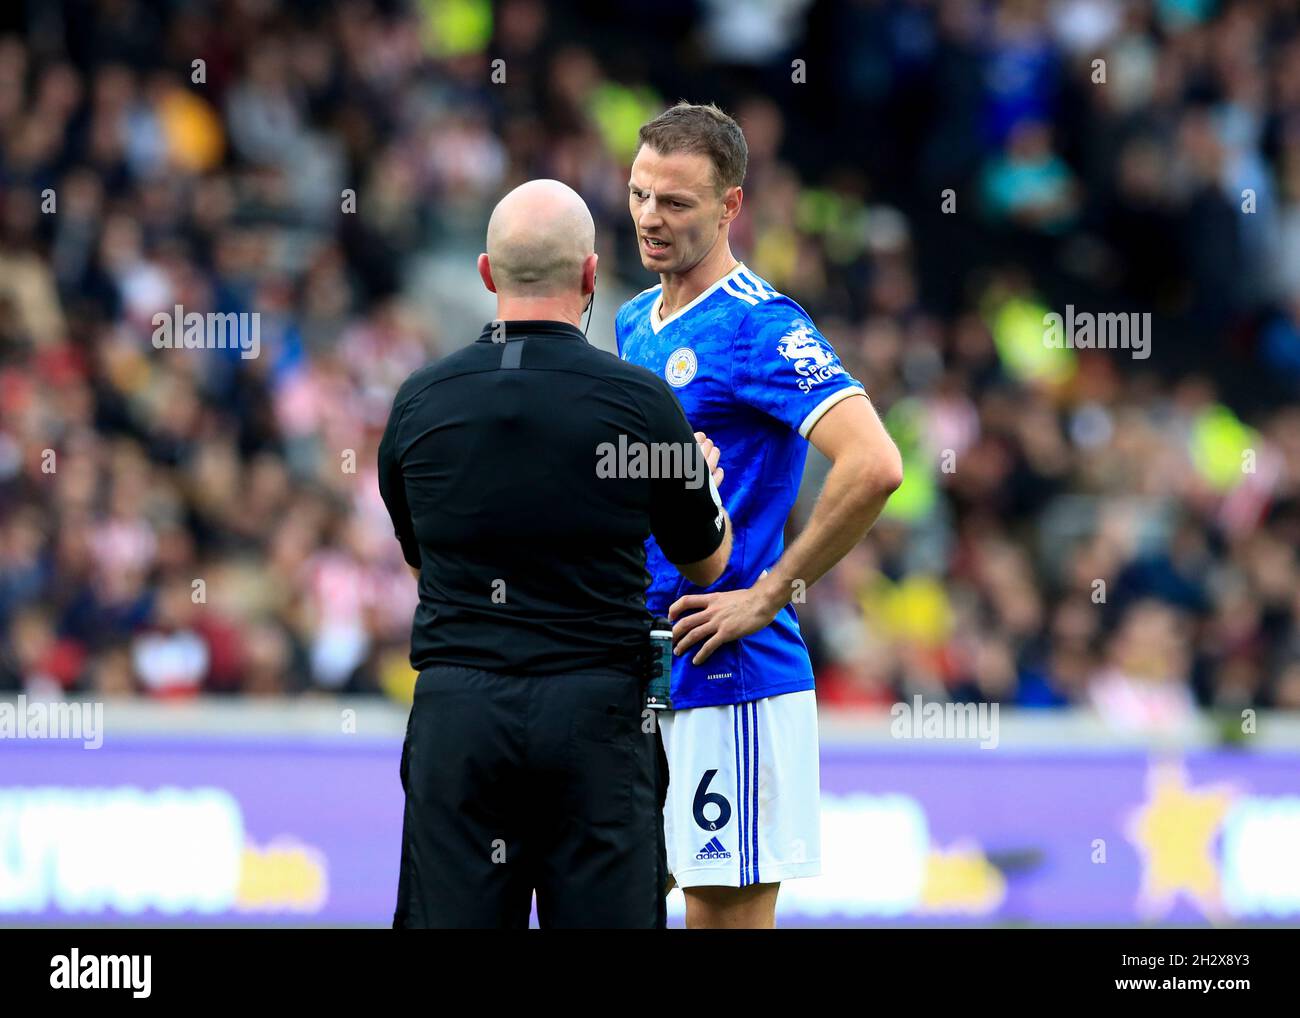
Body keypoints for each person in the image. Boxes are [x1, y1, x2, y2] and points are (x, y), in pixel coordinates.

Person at [379, 178, 732, 928]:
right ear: (590, 276)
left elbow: (422, 566)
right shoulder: (640, 407)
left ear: (485, 275)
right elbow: (706, 561)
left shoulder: (419, 403)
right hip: (596, 723)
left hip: (460, 721)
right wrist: (706, 482)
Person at [615, 103, 904, 928]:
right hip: (643, 669)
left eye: (675, 203)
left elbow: (875, 463)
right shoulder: (637, 320)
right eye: (639, 195)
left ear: (730, 206)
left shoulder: (759, 326)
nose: (649, 218)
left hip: (730, 675)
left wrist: (771, 590)